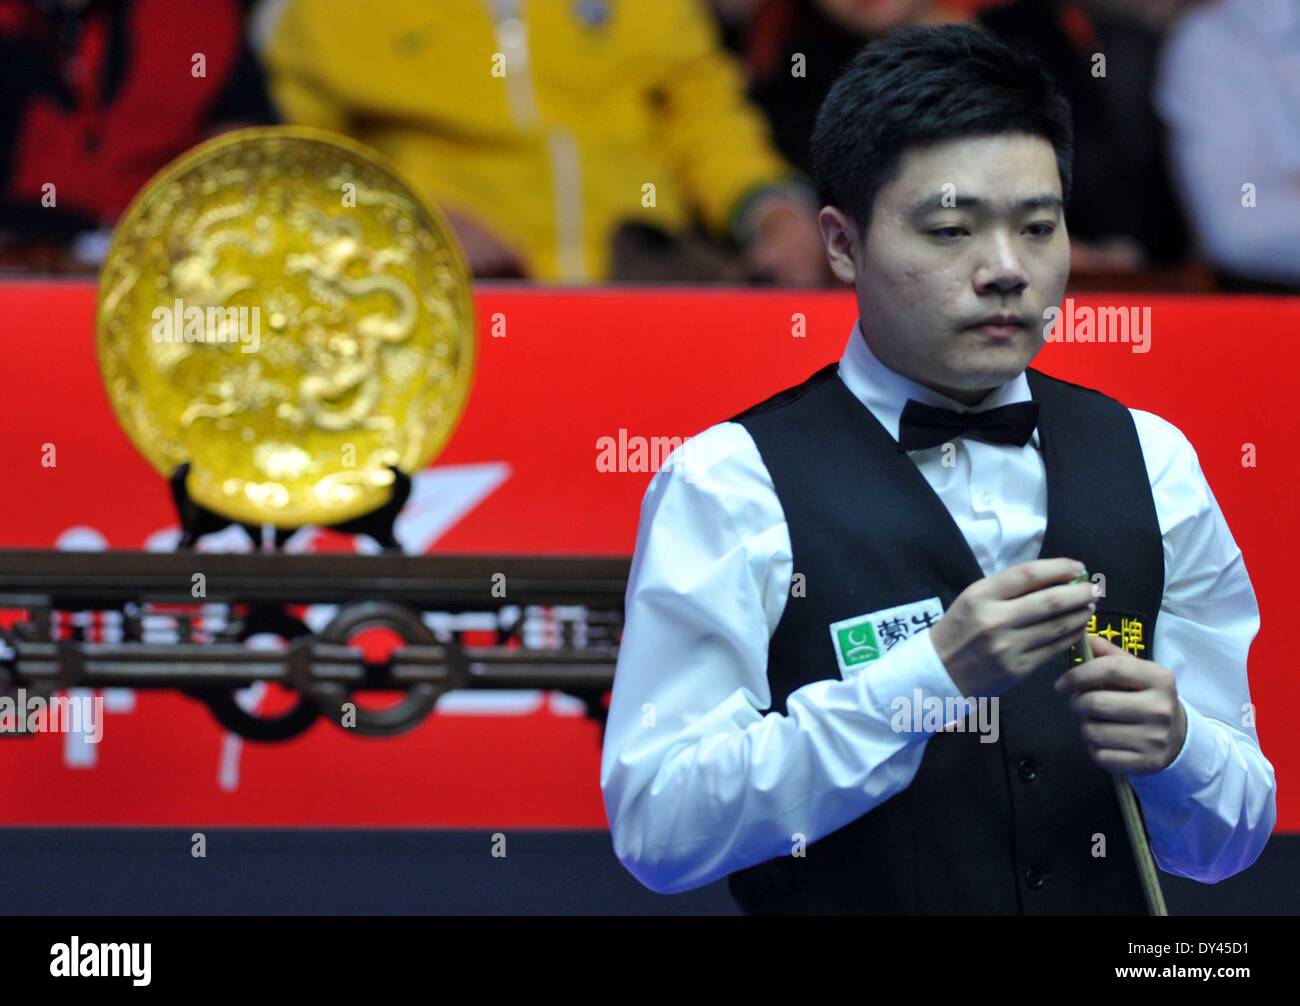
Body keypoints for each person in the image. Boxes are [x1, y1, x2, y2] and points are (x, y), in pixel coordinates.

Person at [600, 23, 1275, 914]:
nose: (1006, 270)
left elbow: (1228, 845)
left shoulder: (1154, 462)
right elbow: (660, 826)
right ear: (842, 244)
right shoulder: (730, 483)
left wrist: (1181, 747)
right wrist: (929, 680)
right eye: (953, 229)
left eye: (1039, 227)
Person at [259, 0, 824, 284]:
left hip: (647, 287)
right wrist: (400, 220)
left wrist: (770, 207)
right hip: (441, 302)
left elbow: (705, 120)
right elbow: (290, 166)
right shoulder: (316, 13)